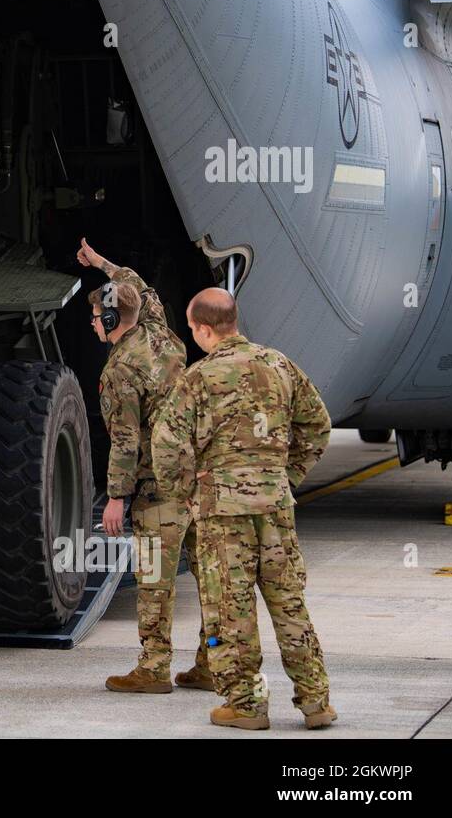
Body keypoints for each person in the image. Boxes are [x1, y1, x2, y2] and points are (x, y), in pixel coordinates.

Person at [152, 288, 336, 730]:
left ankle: (246, 705)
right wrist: (285, 476)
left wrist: (186, 494)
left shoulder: (197, 378)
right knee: (288, 602)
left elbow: (165, 445)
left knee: (229, 610)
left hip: (222, 512)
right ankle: (316, 702)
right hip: (275, 508)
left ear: (203, 329)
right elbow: (318, 425)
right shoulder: (280, 365)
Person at [76, 239, 210, 694]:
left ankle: (153, 669)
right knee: (211, 575)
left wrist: (116, 497)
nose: (92, 324)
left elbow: (126, 439)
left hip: (158, 489)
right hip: (197, 478)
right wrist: (102, 265)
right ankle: (212, 662)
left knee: (155, 579)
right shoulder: (161, 331)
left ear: (112, 319)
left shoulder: (120, 371)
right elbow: (139, 287)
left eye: (96, 317)